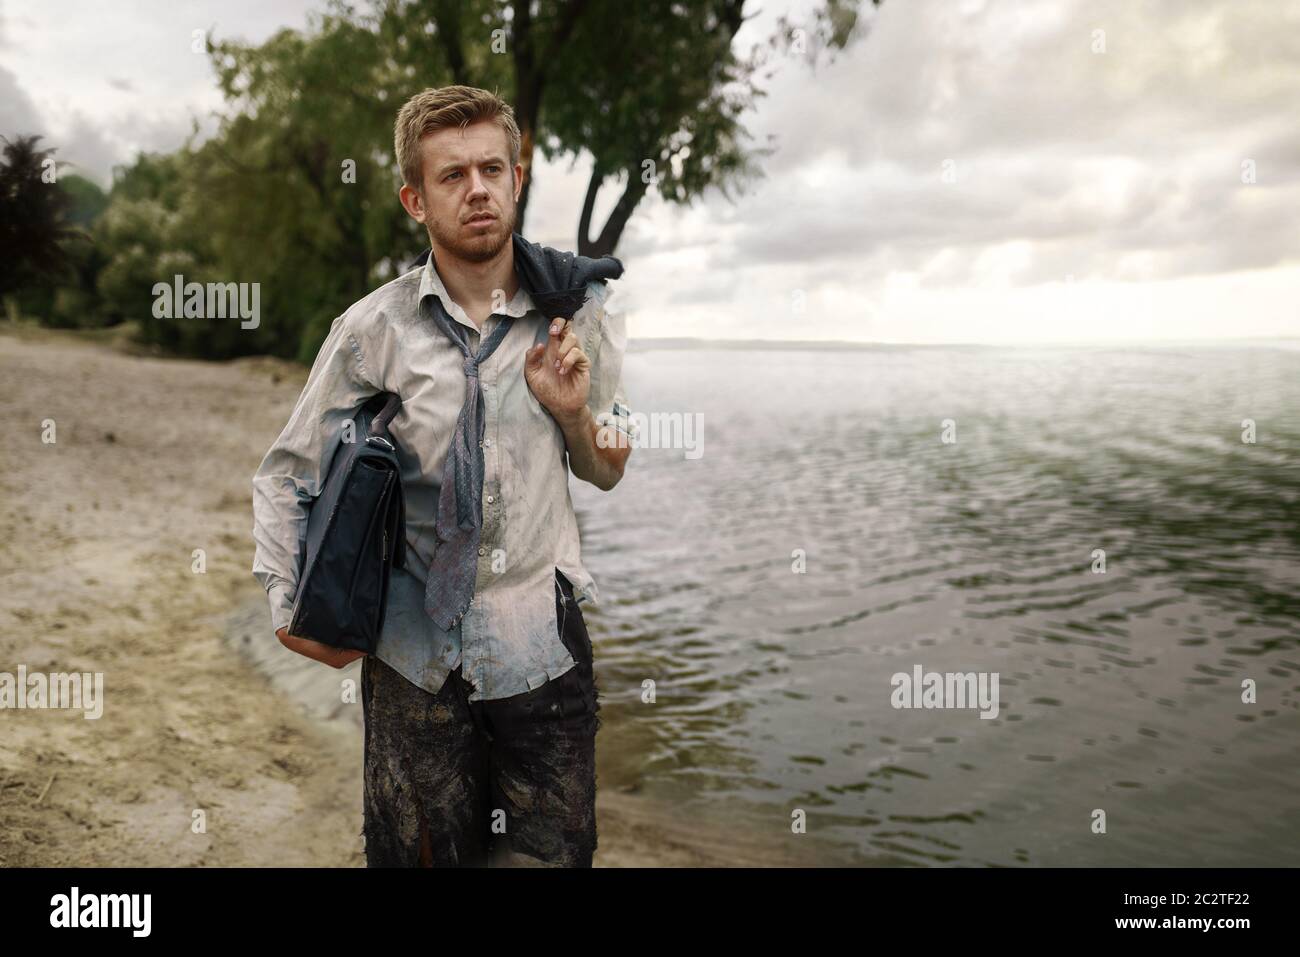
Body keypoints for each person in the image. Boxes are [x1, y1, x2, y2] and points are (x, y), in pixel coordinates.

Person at [250, 84, 638, 867]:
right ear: (415, 200)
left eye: (493, 169)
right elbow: (287, 472)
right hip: (410, 660)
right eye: (452, 176)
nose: (478, 190)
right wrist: (287, 605)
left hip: (541, 651)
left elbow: (604, 470)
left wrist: (570, 415)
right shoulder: (371, 329)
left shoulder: (572, 317)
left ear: (517, 180)